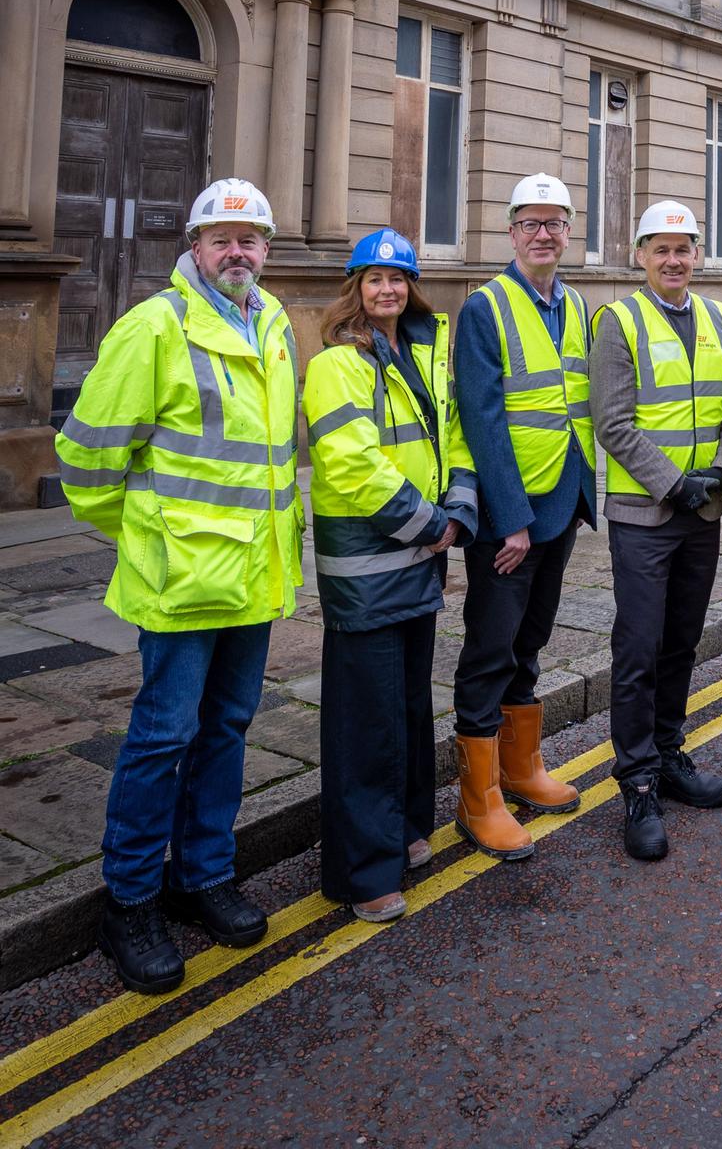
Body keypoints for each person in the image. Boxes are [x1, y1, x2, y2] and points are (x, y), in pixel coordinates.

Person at [55, 179, 301, 994]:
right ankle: (129, 901)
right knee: (161, 739)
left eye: (252, 238)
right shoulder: (154, 327)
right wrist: (152, 535)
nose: (239, 251)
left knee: (227, 730)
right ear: (194, 246)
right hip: (180, 583)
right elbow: (86, 463)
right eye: (222, 238)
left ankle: (203, 877)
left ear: (266, 248)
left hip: (253, 575)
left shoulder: (269, 321)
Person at [302, 230, 478, 922]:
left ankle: (404, 830)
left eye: (398, 279)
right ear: (354, 287)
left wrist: (460, 500)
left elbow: (452, 432)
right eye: (374, 279)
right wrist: (432, 523)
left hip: (419, 562)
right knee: (366, 726)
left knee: (407, 710)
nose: (387, 290)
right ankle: (361, 872)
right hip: (372, 567)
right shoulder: (335, 364)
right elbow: (350, 462)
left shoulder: (421, 351)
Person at [589, 201, 722, 861]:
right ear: (641, 255)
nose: (674, 259)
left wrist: (720, 474)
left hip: (701, 514)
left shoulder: (717, 317)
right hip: (645, 518)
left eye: (684, 248)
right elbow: (612, 422)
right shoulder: (618, 321)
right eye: (661, 249)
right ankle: (638, 781)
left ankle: (670, 754)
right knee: (639, 651)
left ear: (697, 255)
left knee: (682, 643)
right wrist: (671, 483)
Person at [451, 173, 596, 859]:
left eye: (556, 223)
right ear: (511, 232)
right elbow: (481, 419)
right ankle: (476, 799)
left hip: (560, 502)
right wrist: (507, 518)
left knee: (530, 641)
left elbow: (576, 404)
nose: (544, 234)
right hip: (510, 519)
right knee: (490, 648)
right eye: (531, 223)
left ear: (569, 233)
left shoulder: (576, 304)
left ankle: (520, 769)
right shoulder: (485, 307)